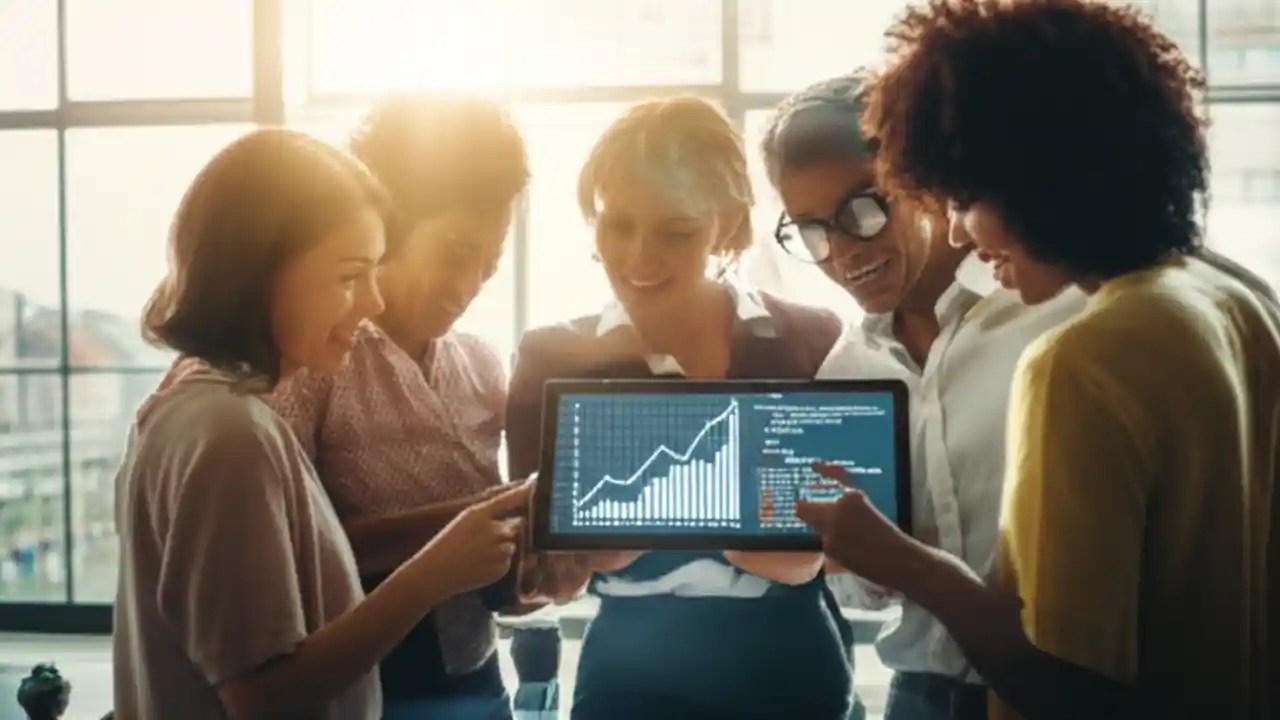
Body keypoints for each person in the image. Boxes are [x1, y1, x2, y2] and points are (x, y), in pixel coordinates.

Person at [795, 2, 1280, 719]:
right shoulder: (1237, 294)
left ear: (1039, 176)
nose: (959, 228)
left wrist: (908, 566)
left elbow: (1065, 689)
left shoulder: (1080, 356)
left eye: (965, 196)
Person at [113, 128, 531, 719]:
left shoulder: (201, 415)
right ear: (262, 267)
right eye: (349, 275)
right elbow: (261, 698)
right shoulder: (232, 435)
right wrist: (430, 573)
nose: (372, 304)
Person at [506, 96, 855, 720]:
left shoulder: (812, 337)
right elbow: (535, 564)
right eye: (618, 225)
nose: (641, 256)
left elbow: (848, 535)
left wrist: (814, 553)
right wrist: (561, 566)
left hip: (792, 660)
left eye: (676, 230)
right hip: (629, 668)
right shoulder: (550, 355)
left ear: (724, 223)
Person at [758, 73, 1083, 720]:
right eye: (813, 231)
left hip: (1066, 695)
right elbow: (864, 593)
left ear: (929, 185)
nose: (844, 251)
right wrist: (866, 560)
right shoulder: (846, 375)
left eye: (865, 208)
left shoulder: (1052, 318)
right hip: (920, 697)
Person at [266, 95, 531, 720]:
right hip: (357, 691)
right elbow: (288, 554)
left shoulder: (482, 365)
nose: (467, 287)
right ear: (385, 229)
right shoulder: (311, 368)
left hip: (479, 678)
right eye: (454, 251)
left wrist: (532, 572)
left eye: (489, 267)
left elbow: (493, 571)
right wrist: (473, 521)